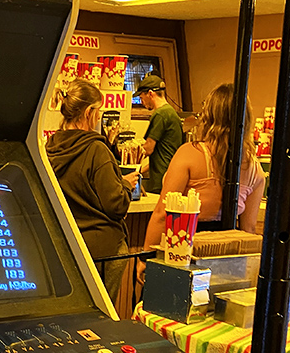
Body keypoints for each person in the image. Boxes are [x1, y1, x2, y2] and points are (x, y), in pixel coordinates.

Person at [138, 83, 265, 282]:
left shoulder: (190, 153)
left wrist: (145, 257)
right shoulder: (255, 169)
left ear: (209, 115)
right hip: (227, 265)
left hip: (183, 255)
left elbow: (162, 214)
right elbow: (247, 230)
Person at [46, 78, 139, 304]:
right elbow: (115, 205)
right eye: (98, 111)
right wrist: (126, 184)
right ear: (88, 112)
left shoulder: (49, 146)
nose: (99, 117)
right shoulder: (96, 149)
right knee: (102, 315)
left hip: (63, 248)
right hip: (103, 251)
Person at [135, 74, 183, 194]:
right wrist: (139, 171)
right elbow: (162, 154)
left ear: (150, 93)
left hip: (160, 180)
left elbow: (148, 149)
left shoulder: (160, 114)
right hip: (170, 176)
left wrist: (127, 158)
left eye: (142, 98)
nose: (142, 103)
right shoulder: (172, 113)